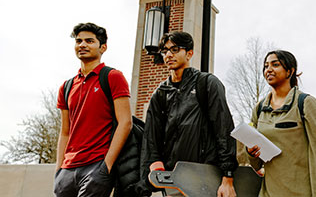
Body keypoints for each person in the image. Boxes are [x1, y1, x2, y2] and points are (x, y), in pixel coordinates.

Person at [141, 31, 238, 197]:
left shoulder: (206, 83)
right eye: (165, 51)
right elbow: (151, 138)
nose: (169, 55)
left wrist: (227, 177)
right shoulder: (160, 93)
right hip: (174, 180)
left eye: (175, 49)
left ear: (189, 53)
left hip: (205, 177)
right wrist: (152, 170)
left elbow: (224, 130)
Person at [54, 23, 132, 197]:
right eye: (79, 41)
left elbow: (125, 123)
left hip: (96, 165)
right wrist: (58, 168)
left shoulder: (113, 77)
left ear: (102, 47)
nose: (82, 45)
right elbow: (65, 132)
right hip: (66, 170)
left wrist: (107, 165)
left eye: (89, 41)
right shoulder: (66, 87)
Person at [247, 50, 316, 197]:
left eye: (275, 65)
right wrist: (251, 153)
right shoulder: (259, 109)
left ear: (290, 71)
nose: (268, 69)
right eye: (266, 66)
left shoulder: (307, 104)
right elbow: (257, 164)